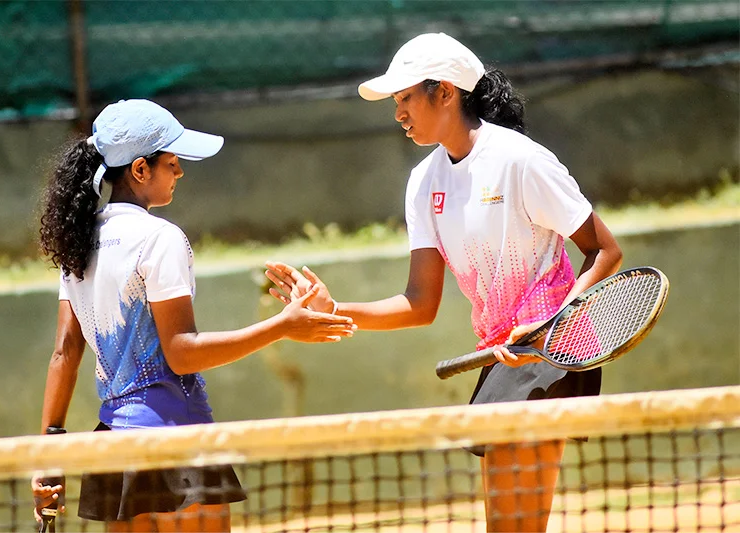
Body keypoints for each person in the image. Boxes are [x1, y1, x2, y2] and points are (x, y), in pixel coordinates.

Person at [265, 33, 622, 532]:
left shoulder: (520, 160)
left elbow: (604, 249)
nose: (398, 114)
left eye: (406, 98)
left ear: (447, 93)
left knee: (512, 521)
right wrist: (335, 307)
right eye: (396, 103)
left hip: (554, 348)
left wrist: (552, 321)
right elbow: (419, 304)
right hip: (502, 350)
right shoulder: (423, 182)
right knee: (513, 523)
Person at [31, 99, 357, 533]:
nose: (180, 171)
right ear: (140, 170)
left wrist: (48, 455)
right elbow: (182, 354)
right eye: (172, 162)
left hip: (111, 448)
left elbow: (63, 354)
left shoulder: (78, 244)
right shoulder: (161, 238)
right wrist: (282, 326)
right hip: (178, 439)